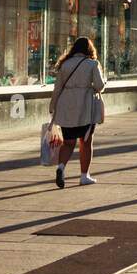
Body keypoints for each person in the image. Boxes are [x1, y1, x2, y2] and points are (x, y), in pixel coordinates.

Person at [49, 37, 107, 188]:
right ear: (89, 49)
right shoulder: (92, 64)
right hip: (85, 108)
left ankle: (61, 167)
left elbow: (57, 88)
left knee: (68, 143)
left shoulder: (65, 64)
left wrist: (52, 106)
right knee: (86, 142)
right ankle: (84, 176)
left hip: (66, 106)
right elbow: (100, 86)